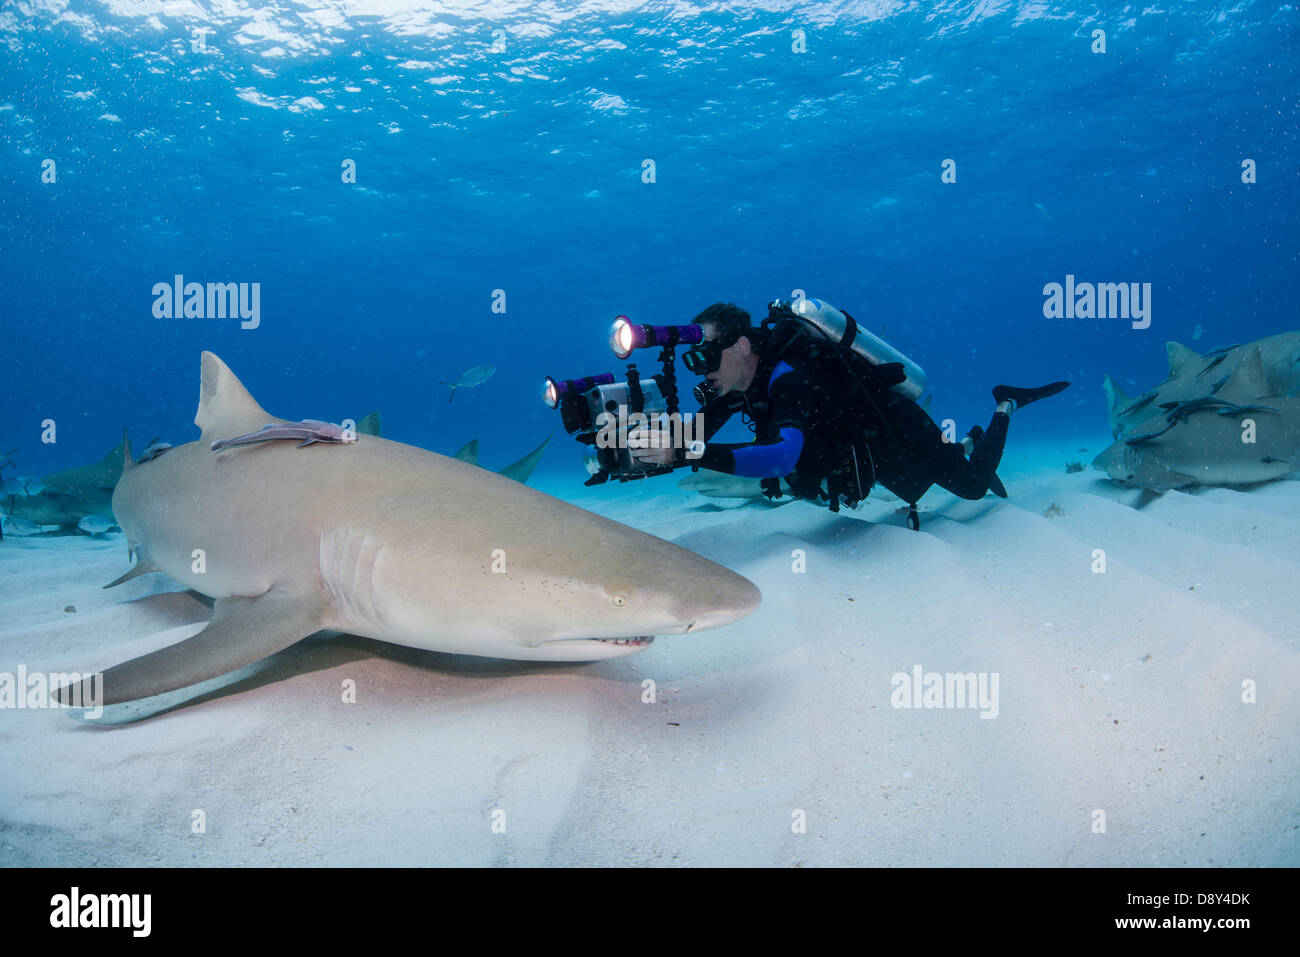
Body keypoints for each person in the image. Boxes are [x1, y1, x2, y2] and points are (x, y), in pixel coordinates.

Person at [632, 301, 1069, 527]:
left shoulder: (787, 377)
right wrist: (621, 437)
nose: (704, 369)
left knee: (972, 487)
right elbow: (690, 434)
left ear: (743, 345)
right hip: (864, 451)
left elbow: (782, 457)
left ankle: (1005, 403)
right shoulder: (739, 386)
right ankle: (962, 444)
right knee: (916, 489)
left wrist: (689, 454)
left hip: (895, 423)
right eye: (697, 360)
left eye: (709, 355)